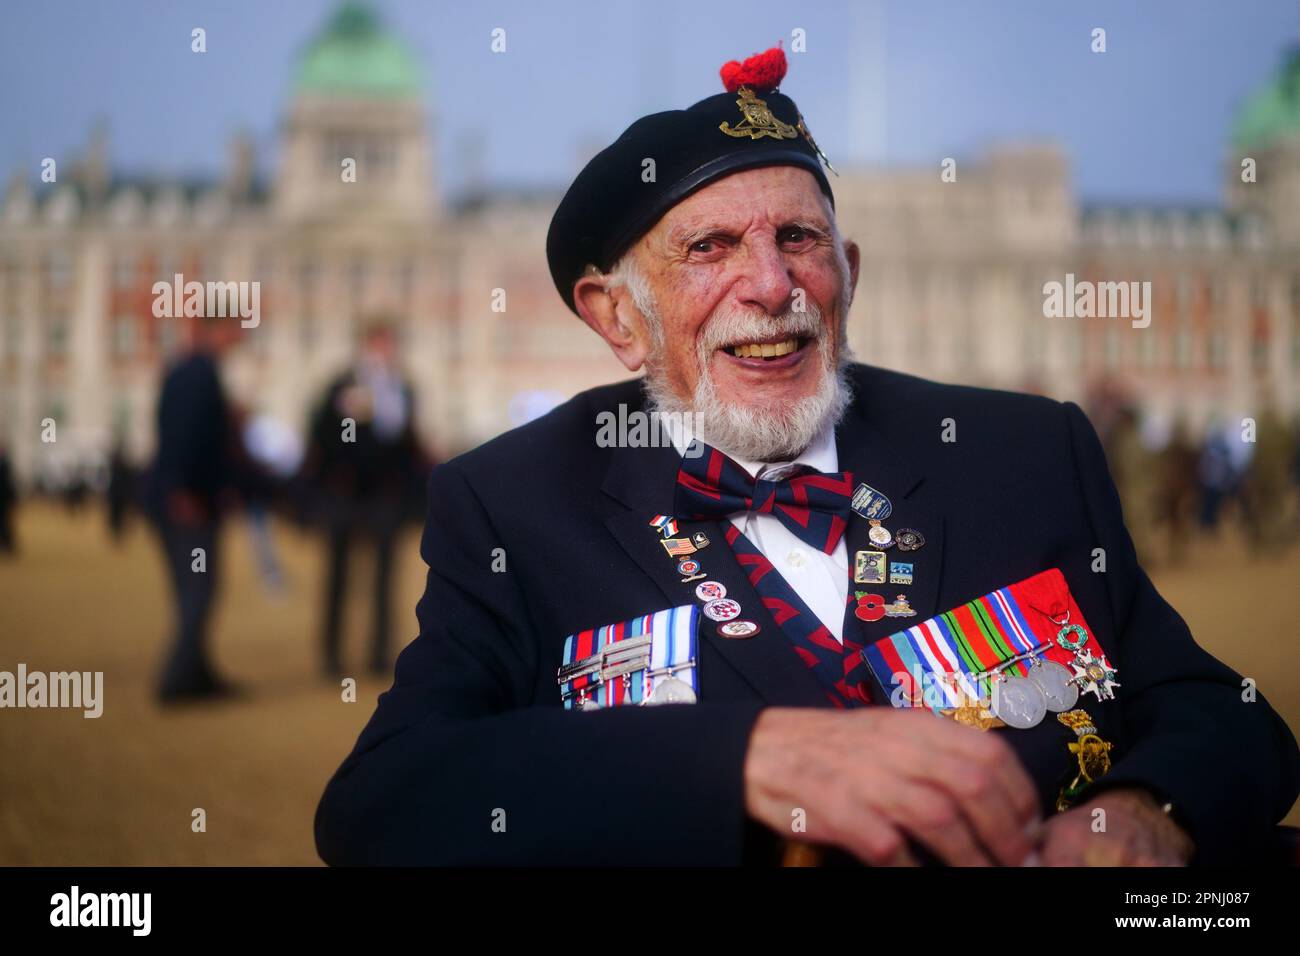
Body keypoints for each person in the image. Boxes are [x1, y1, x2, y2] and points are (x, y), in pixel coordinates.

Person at [315, 46, 1300, 866]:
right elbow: (386, 800)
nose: (771, 284)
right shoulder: (514, 503)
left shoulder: (1029, 450)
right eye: (708, 249)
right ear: (617, 314)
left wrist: (1144, 808)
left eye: (799, 237)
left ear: (848, 273)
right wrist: (737, 757)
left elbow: (1222, 713)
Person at [300, 319, 419, 677]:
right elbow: (322, 433)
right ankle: (332, 656)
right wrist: (336, 476)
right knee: (338, 576)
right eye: (380, 341)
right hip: (346, 496)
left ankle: (379, 653)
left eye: (390, 341)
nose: (385, 349)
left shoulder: (403, 389)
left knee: (385, 578)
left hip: (385, 497)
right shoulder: (342, 383)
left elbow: (408, 444)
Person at [145, 312, 243, 702]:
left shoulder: (197, 371)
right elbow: (182, 435)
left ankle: (198, 672)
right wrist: (182, 491)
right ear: (213, 330)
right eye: (233, 327)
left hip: (194, 500)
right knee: (197, 587)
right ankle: (177, 680)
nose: (238, 335)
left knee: (197, 586)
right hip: (187, 506)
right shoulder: (195, 373)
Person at [0, 442, 16, 556]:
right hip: (5, 499)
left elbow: (8, 485)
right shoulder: (6, 465)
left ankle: (8, 545)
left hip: (4, 500)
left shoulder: (5, 465)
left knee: (4, 523)